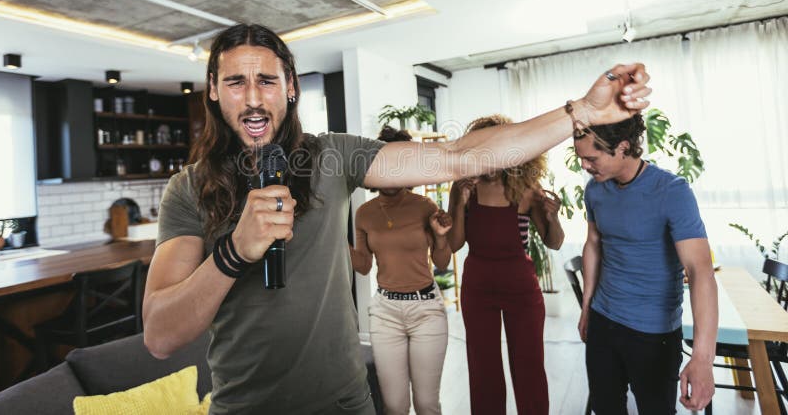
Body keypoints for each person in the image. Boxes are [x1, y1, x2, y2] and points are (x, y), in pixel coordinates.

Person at [142, 23, 652, 414]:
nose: (253, 98)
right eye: (235, 82)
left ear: (290, 87)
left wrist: (581, 111)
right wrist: (233, 252)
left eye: (266, 81)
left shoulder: (332, 158)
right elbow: (161, 334)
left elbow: (459, 156)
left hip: (344, 404)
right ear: (212, 90)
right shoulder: (187, 191)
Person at [574, 115, 718, 414]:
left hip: (654, 333)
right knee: (606, 408)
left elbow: (700, 271)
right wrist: (587, 307)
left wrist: (703, 358)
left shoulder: (672, 191)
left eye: (591, 158)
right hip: (603, 320)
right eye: (581, 158)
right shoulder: (595, 190)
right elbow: (594, 244)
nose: (584, 166)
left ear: (622, 147)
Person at [447, 115, 564, 415]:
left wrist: (552, 216)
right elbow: (455, 244)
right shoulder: (463, 188)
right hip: (478, 286)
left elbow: (555, 242)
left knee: (528, 367)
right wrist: (459, 204)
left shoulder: (526, 189)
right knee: (482, 367)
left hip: (520, 287)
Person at [349, 126, 452, 415]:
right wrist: (337, 243)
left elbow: (442, 262)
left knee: (426, 404)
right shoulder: (365, 213)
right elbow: (364, 266)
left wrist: (441, 236)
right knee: (393, 406)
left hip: (426, 311)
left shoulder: (425, 206)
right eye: (385, 163)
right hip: (385, 313)